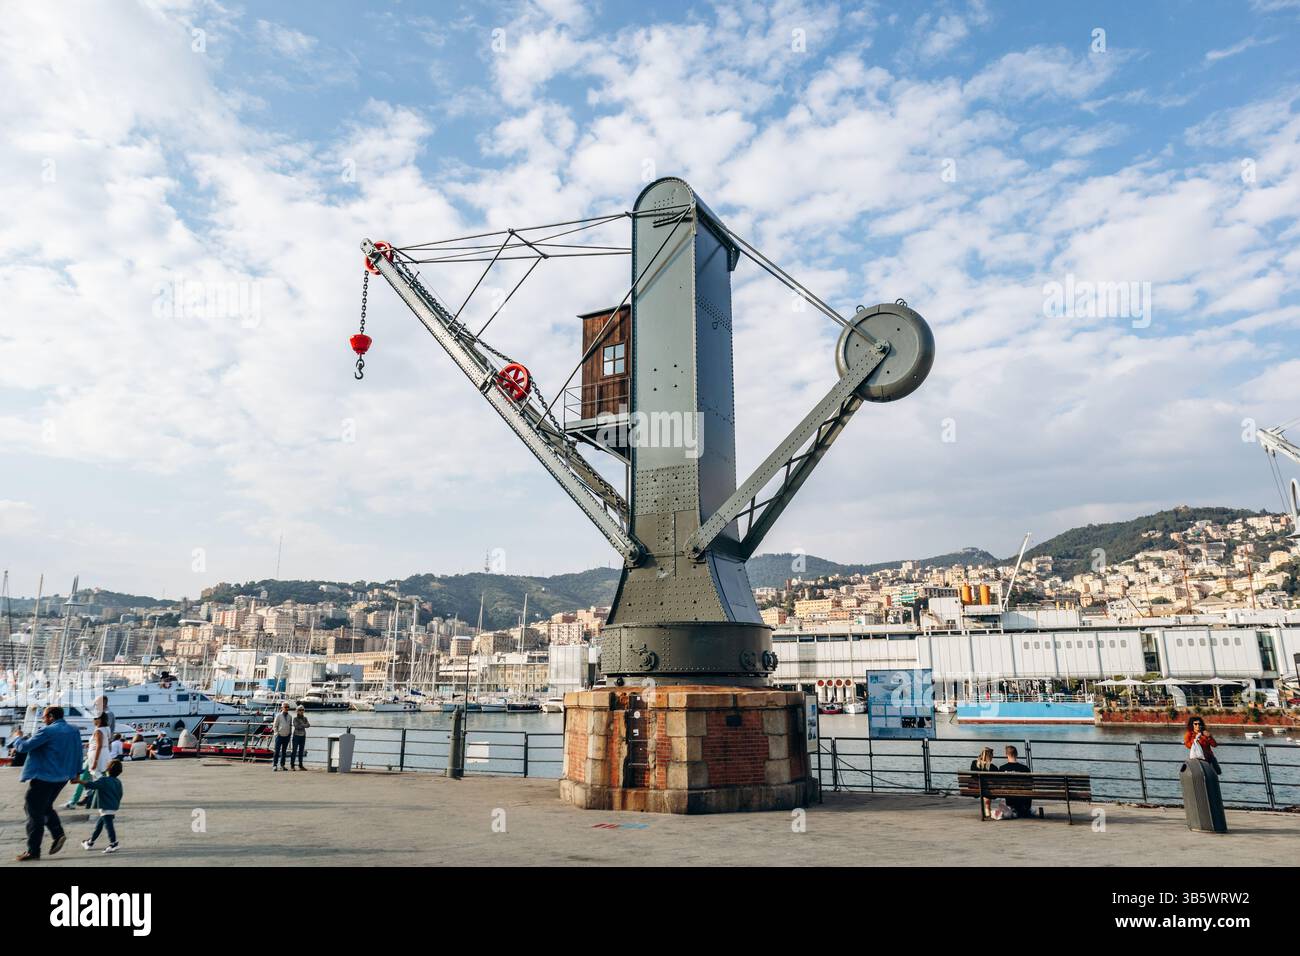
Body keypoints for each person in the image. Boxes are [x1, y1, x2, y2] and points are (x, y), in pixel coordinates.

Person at [10, 705, 83, 862]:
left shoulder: (47, 731)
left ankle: (33, 850)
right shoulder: (74, 730)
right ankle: (58, 834)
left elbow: (24, 747)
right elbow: (79, 751)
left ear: (51, 716)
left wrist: (17, 737)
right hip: (63, 777)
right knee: (44, 807)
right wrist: (77, 773)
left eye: (44, 717)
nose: (43, 719)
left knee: (33, 811)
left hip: (44, 777)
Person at [67, 713, 112, 808]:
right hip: (104, 755)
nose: (93, 720)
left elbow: (99, 745)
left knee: (82, 778)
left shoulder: (98, 730)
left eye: (95, 719)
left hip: (95, 757)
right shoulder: (107, 729)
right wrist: (89, 744)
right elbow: (103, 743)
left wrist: (95, 761)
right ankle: (95, 800)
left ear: (99, 719)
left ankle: (73, 801)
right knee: (101, 779)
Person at [80, 758, 123, 854]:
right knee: (99, 826)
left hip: (105, 807)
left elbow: (92, 785)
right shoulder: (118, 782)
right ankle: (90, 842)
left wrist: (79, 781)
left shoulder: (104, 780)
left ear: (108, 770)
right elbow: (120, 794)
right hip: (113, 806)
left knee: (109, 826)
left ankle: (113, 843)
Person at [999, 745, 1033, 819]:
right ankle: (1023, 809)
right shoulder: (1025, 768)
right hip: (1022, 798)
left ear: (1006, 755)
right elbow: (1031, 785)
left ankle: (1013, 810)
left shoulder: (1002, 768)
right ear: (1017, 754)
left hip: (1008, 798)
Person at [970, 746, 999, 817]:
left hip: (975, 789)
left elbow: (972, 777)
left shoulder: (974, 764)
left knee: (984, 786)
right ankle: (987, 808)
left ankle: (987, 808)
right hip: (988, 790)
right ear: (990, 756)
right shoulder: (993, 767)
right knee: (988, 787)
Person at [271, 702, 293, 771]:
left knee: (284, 751)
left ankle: (282, 765)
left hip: (286, 736)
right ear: (282, 708)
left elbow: (290, 726)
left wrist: (290, 733)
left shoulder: (290, 716)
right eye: (285, 707)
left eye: (288, 707)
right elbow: (275, 726)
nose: (287, 708)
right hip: (279, 736)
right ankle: (274, 765)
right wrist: (277, 734)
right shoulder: (278, 716)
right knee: (277, 751)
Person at [290, 705, 310, 771]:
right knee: (294, 751)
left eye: (302, 710)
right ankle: (292, 765)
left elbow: (308, 725)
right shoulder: (295, 718)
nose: (301, 711)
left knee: (301, 751)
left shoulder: (305, 718)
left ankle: (300, 765)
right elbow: (296, 726)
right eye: (300, 710)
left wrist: (301, 725)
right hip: (296, 736)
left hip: (303, 736)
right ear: (297, 711)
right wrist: (303, 725)